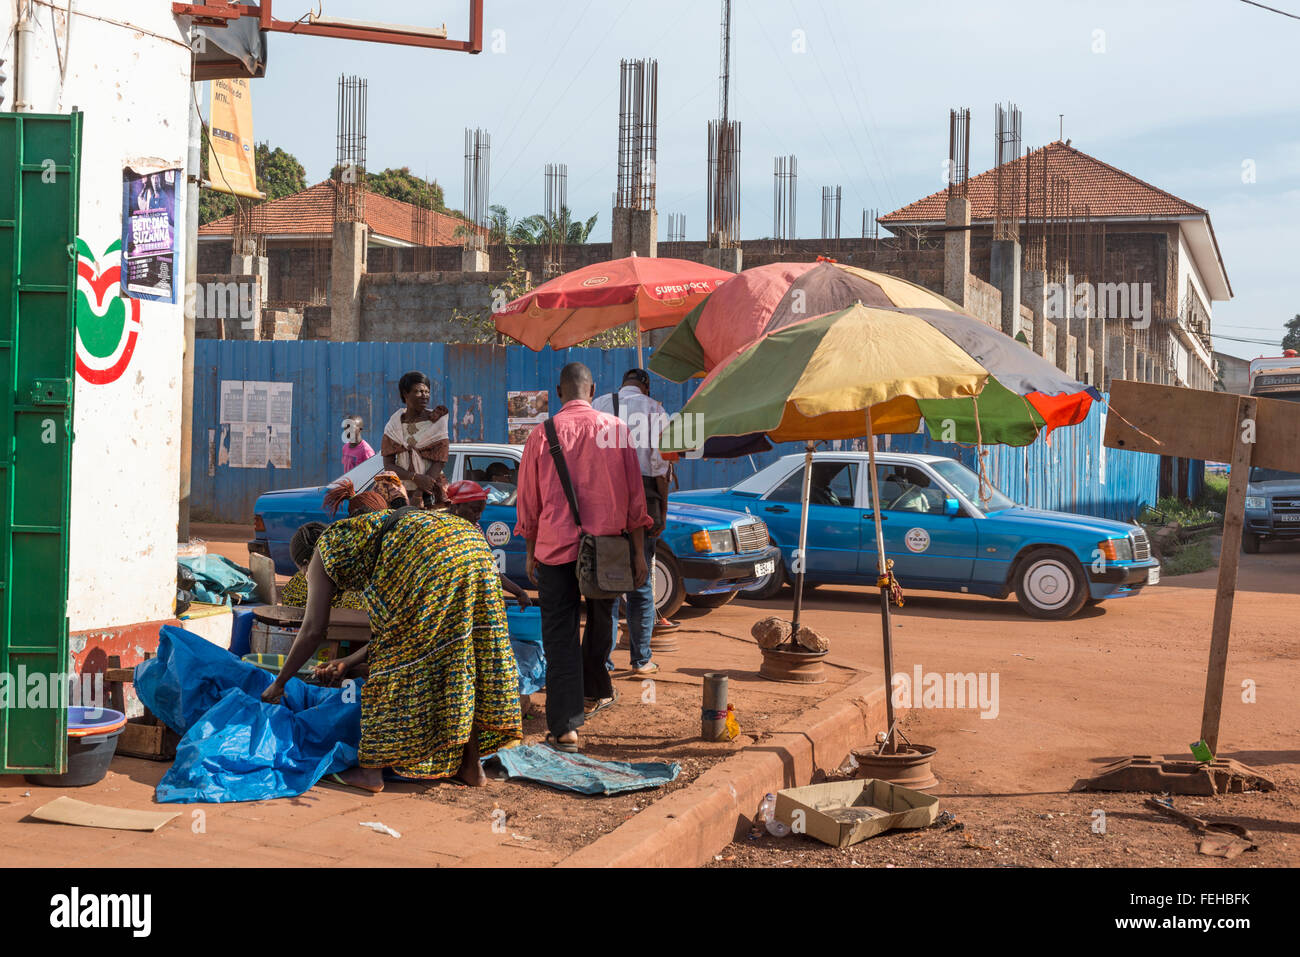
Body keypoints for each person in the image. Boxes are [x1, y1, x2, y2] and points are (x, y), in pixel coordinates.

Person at [261, 504, 523, 791]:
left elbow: (313, 631)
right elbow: (394, 631)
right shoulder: (360, 539)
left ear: (304, 563)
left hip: (435, 555)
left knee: (391, 666)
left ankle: (371, 773)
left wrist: (280, 683)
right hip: (472, 547)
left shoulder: (324, 554)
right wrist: (348, 663)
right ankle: (472, 768)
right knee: (462, 655)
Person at [515, 362, 650, 753]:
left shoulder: (541, 434)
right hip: (606, 549)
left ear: (559, 392)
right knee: (602, 618)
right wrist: (639, 554)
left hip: (555, 552)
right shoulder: (616, 431)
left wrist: (529, 551)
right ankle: (595, 686)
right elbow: (634, 499)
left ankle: (566, 727)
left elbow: (529, 502)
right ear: (592, 390)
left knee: (559, 636)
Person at [593, 368, 669, 675]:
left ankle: (604, 662)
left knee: (608, 582)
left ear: (622, 384)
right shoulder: (655, 410)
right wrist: (662, 507)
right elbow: (660, 465)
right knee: (641, 580)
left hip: (602, 498)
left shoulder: (598, 404)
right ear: (646, 387)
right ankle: (641, 660)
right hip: (645, 494)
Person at [443, 479, 532, 609]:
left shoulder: (475, 528)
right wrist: (519, 592)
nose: (478, 516)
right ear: (456, 507)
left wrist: (519, 593)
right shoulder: (443, 530)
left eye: (481, 511)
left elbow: (488, 567)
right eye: (474, 510)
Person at [381, 371, 449, 507]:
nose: (424, 396)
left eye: (427, 392)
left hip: (431, 491)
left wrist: (420, 491)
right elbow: (388, 465)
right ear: (405, 394)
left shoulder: (437, 421)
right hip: (401, 493)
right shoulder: (393, 426)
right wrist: (414, 477)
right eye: (418, 392)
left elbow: (440, 460)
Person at [281, 521, 364, 609]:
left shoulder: (294, 591)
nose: (302, 574)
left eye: (300, 568)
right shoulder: (358, 576)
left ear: (307, 563)